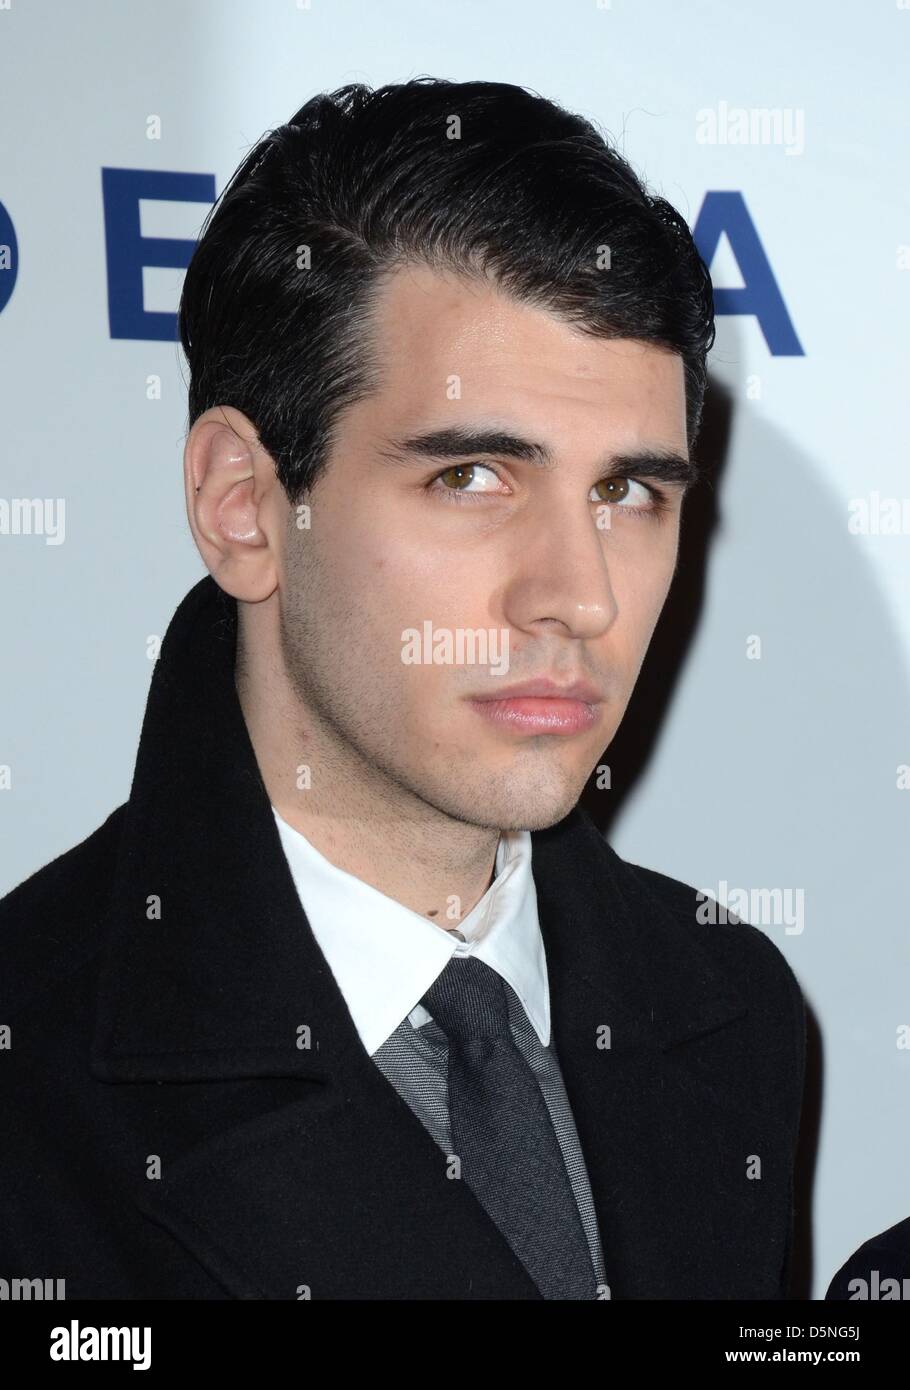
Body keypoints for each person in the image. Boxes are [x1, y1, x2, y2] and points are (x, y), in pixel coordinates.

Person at [0, 77, 806, 1300]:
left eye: (628, 493)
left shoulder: (730, 1011)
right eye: (474, 477)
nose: (577, 597)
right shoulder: (29, 1074)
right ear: (244, 506)